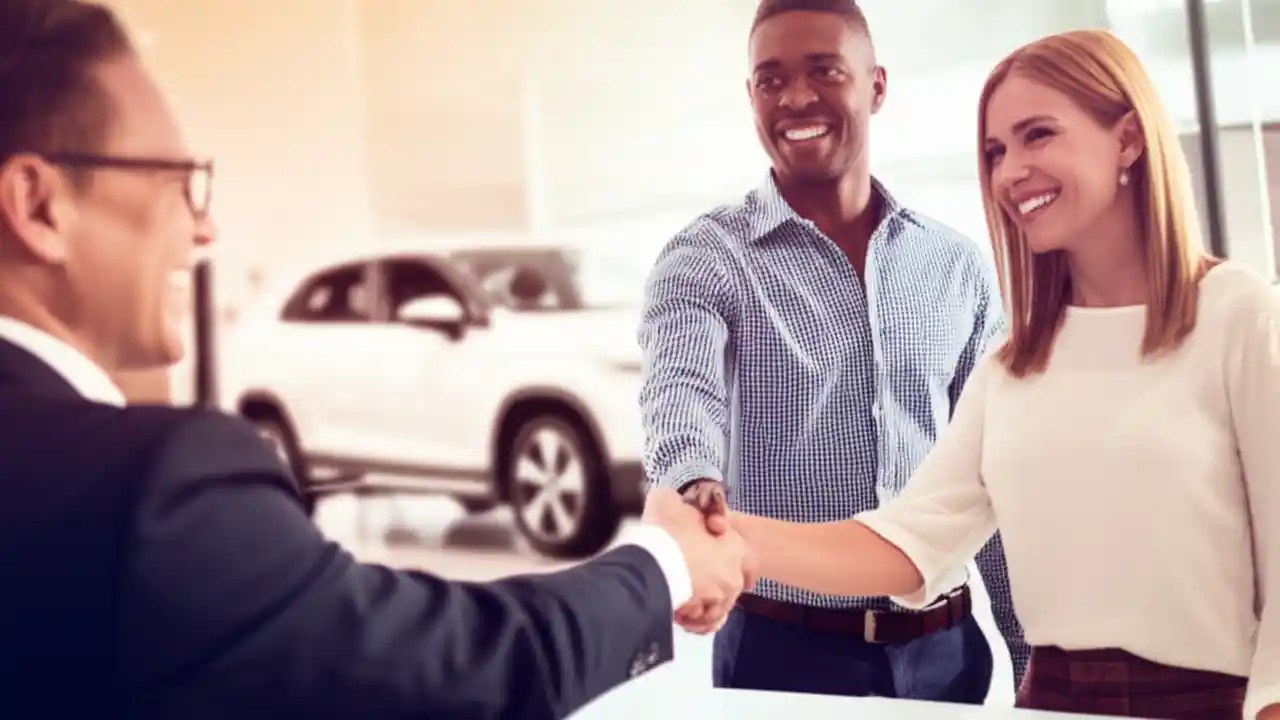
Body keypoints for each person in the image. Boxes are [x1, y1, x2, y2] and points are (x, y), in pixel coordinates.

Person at [0, 2, 755, 718]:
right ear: (39, 207)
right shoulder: (158, 489)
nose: (205, 229)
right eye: (177, 184)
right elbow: (455, 668)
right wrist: (667, 565)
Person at [724, 28, 1280, 720]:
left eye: (1037, 135)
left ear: (1129, 141)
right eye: (994, 151)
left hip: (1211, 702)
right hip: (1048, 700)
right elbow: (908, 540)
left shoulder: (1240, 314)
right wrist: (726, 538)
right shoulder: (1013, 363)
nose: (1009, 171)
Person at [639, 0, 1026, 703]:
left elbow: (995, 474)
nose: (795, 98)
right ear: (750, 95)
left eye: (823, 71)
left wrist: (1030, 656)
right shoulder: (706, 258)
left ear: (875, 86)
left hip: (949, 657)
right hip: (780, 657)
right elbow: (678, 391)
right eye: (770, 79)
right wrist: (692, 488)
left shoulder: (957, 267)